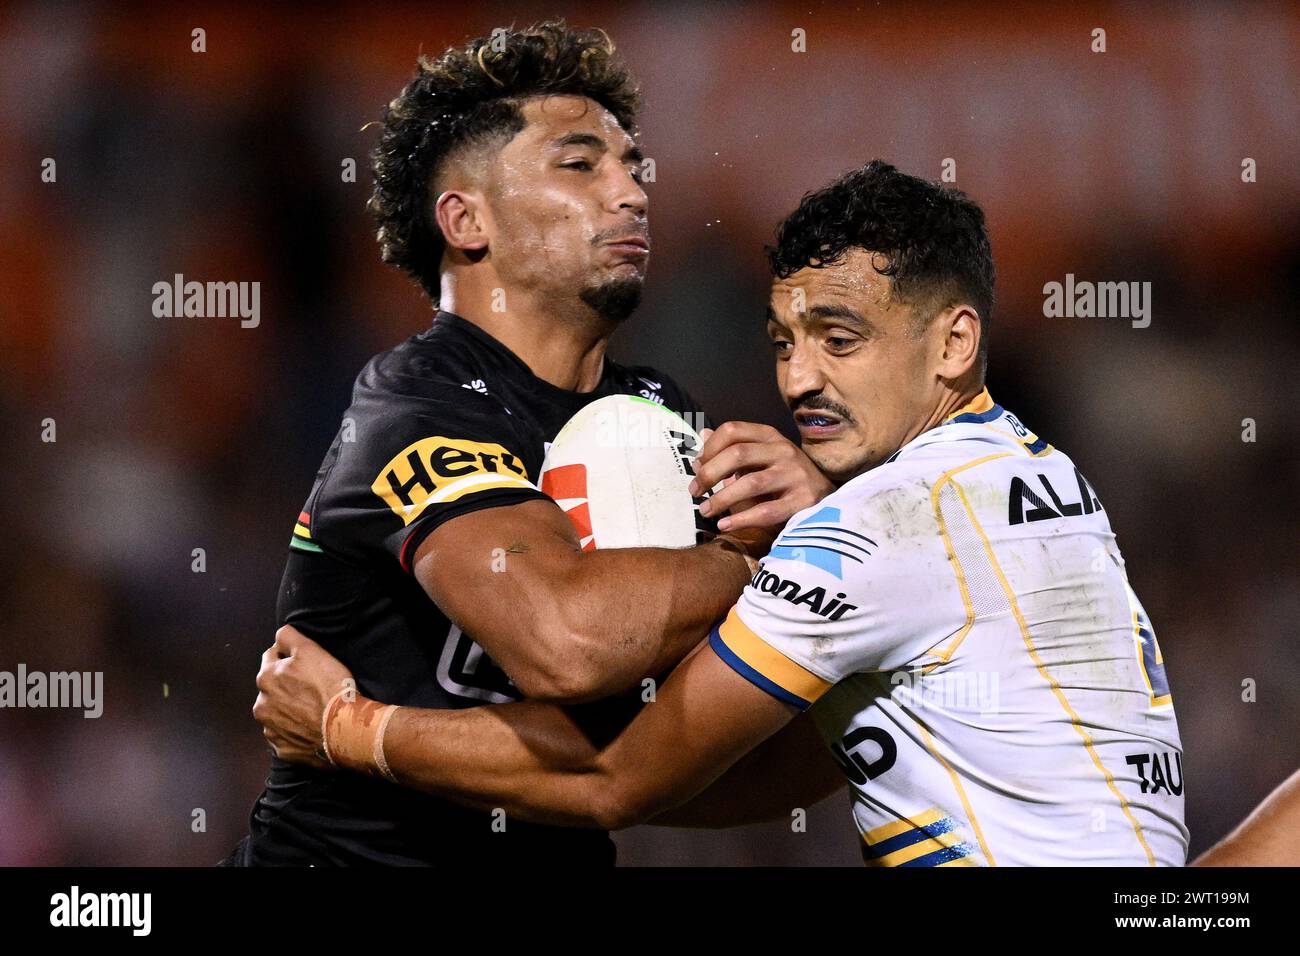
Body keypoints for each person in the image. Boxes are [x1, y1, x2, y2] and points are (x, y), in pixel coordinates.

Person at [257, 161, 1196, 866]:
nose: (798, 380)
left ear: (955, 343)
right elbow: (770, 770)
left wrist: (352, 728)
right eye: (784, 342)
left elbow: (612, 777)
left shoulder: (871, 527)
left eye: (840, 339)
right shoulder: (1046, 479)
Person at [229, 21, 830, 866]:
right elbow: (569, 644)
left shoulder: (667, 417)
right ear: (466, 219)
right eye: (580, 165)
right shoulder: (416, 406)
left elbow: (659, 768)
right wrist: (761, 558)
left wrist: (838, 564)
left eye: (632, 167)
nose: (631, 193)